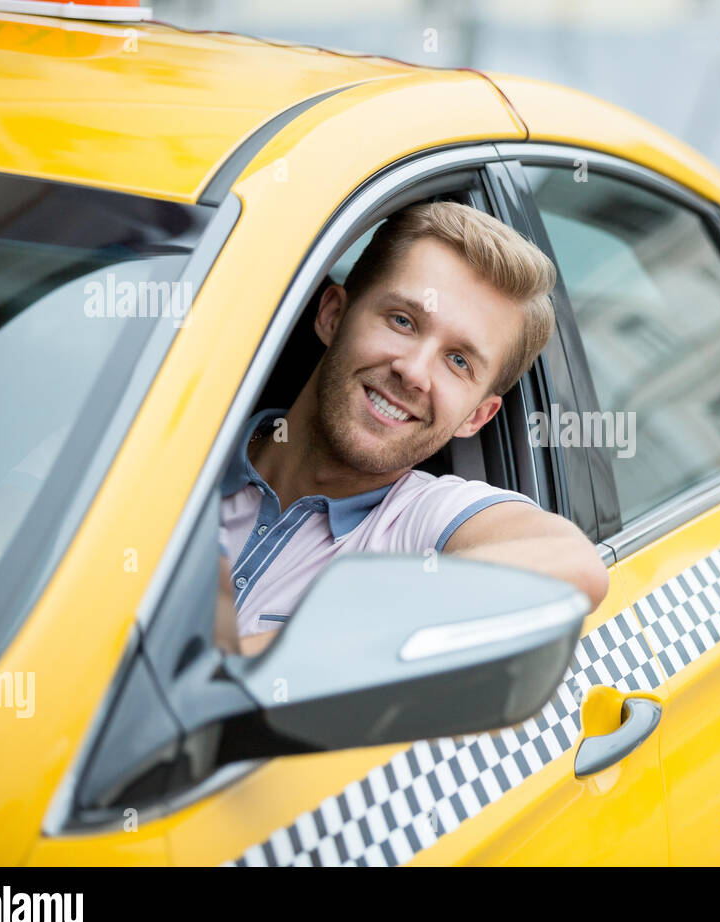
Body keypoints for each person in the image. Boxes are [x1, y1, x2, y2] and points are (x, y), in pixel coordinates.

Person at [214, 201, 608, 656]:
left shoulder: (420, 524)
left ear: (477, 416)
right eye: (403, 321)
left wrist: (253, 658)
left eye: (458, 361)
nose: (415, 372)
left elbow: (575, 566)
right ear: (332, 315)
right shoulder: (176, 446)